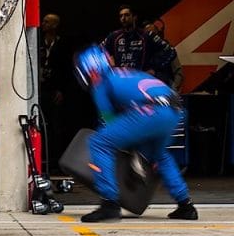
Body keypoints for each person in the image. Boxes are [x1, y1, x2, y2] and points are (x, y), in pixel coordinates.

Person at [75, 46, 197, 223]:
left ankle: (109, 205)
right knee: (159, 155)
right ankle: (186, 205)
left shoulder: (101, 82)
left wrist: (125, 146)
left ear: (91, 69)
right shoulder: (126, 73)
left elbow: (107, 120)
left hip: (151, 111)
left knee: (99, 142)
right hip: (175, 110)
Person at [39, 13, 75, 164]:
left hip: (55, 89)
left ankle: (57, 160)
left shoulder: (63, 43)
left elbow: (66, 68)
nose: (43, 24)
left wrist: (61, 89)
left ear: (55, 25)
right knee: (41, 123)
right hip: (40, 88)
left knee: (56, 125)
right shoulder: (37, 40)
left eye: (47, 22)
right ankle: (43, 158)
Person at [101, 4, 157, 72]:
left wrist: (153, 67)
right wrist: (109, 61)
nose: (123, 18)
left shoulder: (146, 35)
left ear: (134, 17)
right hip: (122, 78)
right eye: (121, 16)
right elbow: (99, 51)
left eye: (126, 15)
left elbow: (169, 51)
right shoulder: (114, 36)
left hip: (141, 77)